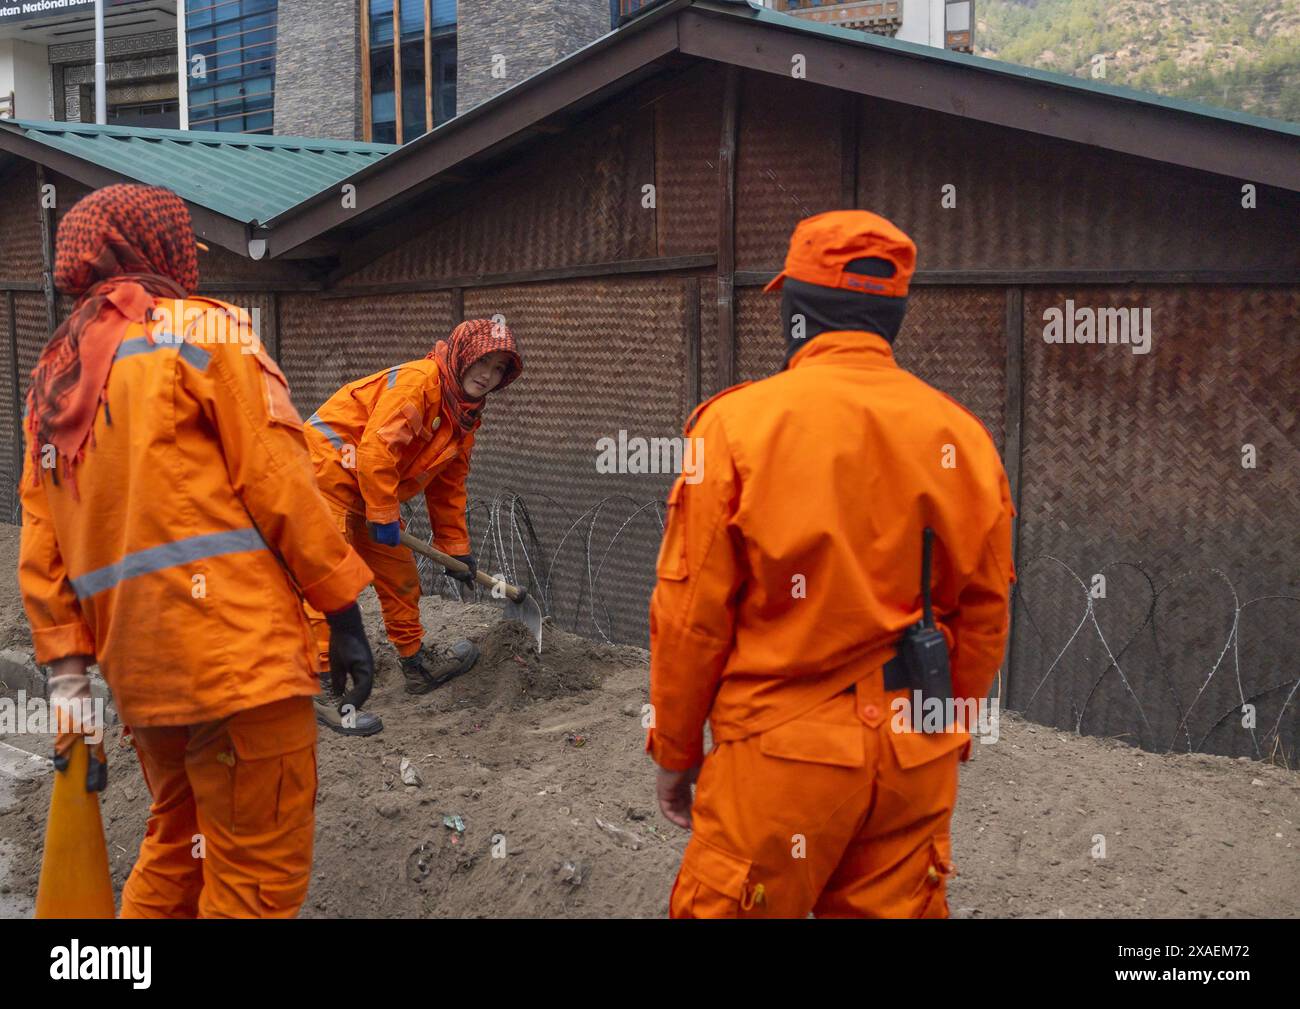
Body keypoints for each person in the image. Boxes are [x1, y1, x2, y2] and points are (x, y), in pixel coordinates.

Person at [18, 183, 376, 918]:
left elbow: (43, 545)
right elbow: (281, 482)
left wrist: (68, 683)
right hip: (238, 664)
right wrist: (341, 610)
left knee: (180, 845)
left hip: (143, 677)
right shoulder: (203, 334)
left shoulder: (56, 381)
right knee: (253, 881)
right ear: (160, 249)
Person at [647, 210, 1016, 918]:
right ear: (893, 317)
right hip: (914, 754)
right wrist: (944, 724)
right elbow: (986, 609)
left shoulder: (735, 427)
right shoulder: (964, 437)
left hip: (783, 763)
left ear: (797, 311)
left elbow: (690, 614)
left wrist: (675, 749)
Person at [304, 318, 522, 731]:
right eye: (483, 362)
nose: (487, 376)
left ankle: (416, 663)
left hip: (369, 492)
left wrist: (455, 549)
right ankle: (319, 690)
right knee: (327, 580)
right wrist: (384, 514)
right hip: (322, 476)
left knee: (400, 574)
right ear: (463, 354)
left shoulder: (465, 417)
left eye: (498, 370)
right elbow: (375, 453)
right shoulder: (419, 383)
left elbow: (449, 488)